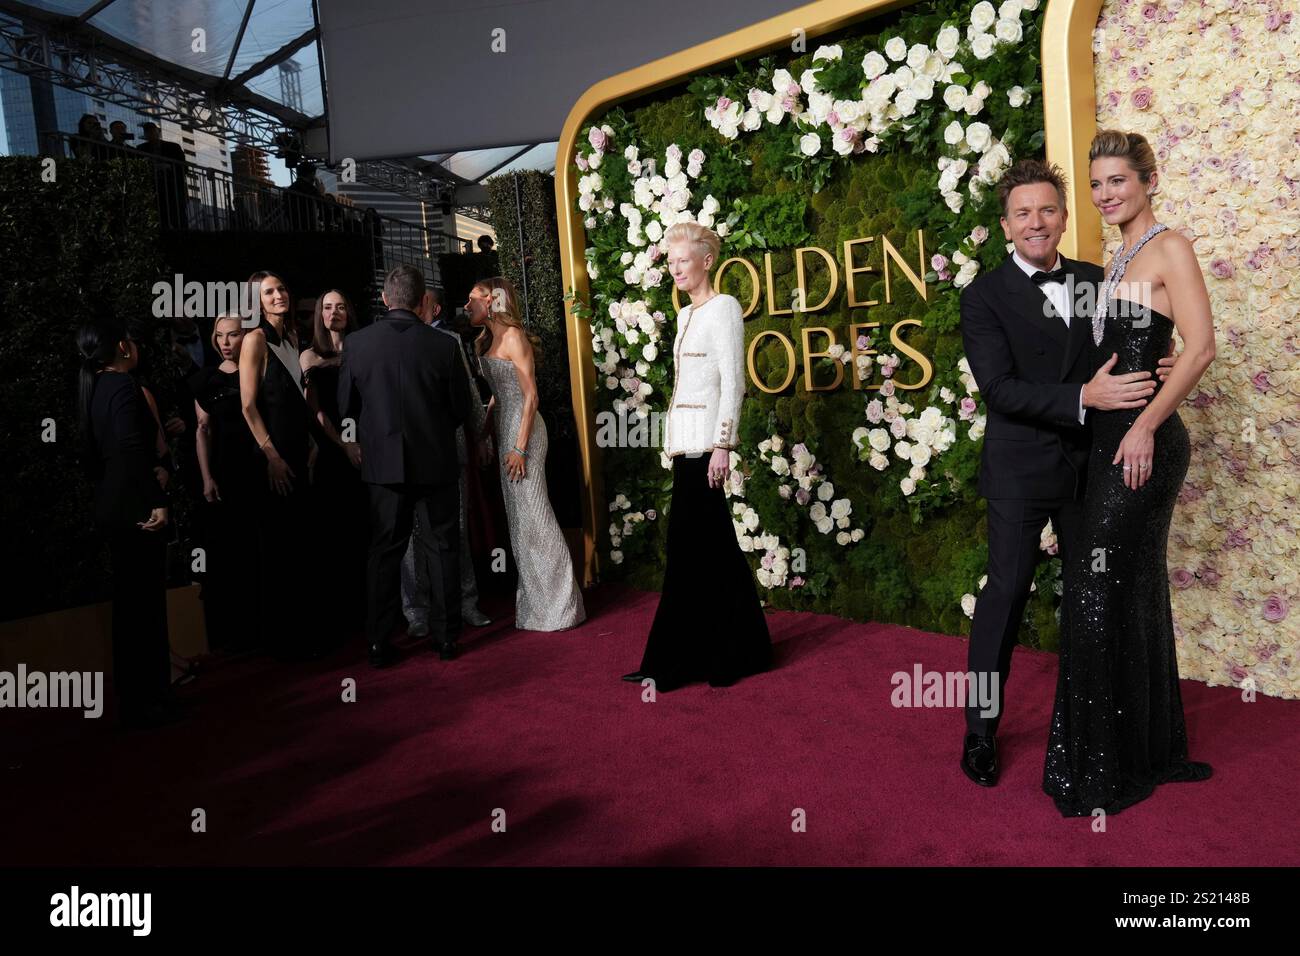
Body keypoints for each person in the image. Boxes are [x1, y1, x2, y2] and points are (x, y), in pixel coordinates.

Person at [957, 158, 1177, 788]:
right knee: (1005, 595)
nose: (1037, 222)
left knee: (1096, 595)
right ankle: (979, 731)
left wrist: (1158, 368)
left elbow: (1127, 347)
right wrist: (1086, 397)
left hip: (1093, 468)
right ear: (1006, 225)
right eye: (1023, 213)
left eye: (1048, 210)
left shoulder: (1093, 278)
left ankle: (1105, 733)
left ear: (1063, 217)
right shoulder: (983, 296)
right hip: (1021, 470)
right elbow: (999, 389)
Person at [1043, 130, 1216, 816]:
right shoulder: (1113, 261)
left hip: (1145, 444)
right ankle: (1148, 752)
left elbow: (1200, 349)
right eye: (1096, 184)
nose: (1106, 194)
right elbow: (1136, 352)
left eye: (1117, 180)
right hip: (1106, 442)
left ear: (1147, 180)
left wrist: (1146, 424)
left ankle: (1111, 767)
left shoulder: (1171, 246)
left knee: (1097, 594)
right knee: (1131, 589)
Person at [622, 223, 769, 690]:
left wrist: (723, 446)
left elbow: (734, 381)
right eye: (671, 260)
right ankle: (735, 650)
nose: (675, 267)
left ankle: (678, 661)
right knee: (711, 551)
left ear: (707, 261)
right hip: (685, 448)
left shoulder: (724, 308)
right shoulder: (685, 316)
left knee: (691, 552)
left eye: (683, 259)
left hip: (708, 447)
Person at [339, 265, 470, 666]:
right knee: (443, 547)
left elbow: (346, 408)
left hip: (382, 467)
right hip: (435, 463)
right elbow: (461, 410)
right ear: (421, 302)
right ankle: (446, 639)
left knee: (383, 553)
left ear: (384, 298)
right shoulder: (444, 345)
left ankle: (378, 644)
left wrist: (366, 440)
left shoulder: (357, 345)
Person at [77, 318, 181, 728]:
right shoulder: (121, 385)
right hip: (136, 509)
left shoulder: (90, 389)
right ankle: (154, 700)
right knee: (147, 609)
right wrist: (157, 499)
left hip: (112, 507)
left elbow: (97, 454)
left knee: (130, 609)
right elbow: (129, 444)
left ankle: (137, 701)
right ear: (122, 347)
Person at [468, 277, 585, 632]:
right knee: (519, 522)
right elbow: (496, 397)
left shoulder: (515, 337)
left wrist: (519, 448)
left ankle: (563, 606)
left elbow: (530, 397)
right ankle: (537, 605)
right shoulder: (485, 341)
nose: (467, 306)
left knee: (537, 516)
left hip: (527, 435)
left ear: (492, 300)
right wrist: (483, 435)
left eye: (472, 299)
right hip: (505, 432)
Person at [402, 286, 492, 632]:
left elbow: (470, 393)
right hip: (408, 455)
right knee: (412, 535)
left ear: (429, 305)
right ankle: (417, 613)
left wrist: (481, 437)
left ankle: (466, 602)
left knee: (457, 527)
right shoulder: (394, 339)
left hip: (451, 448)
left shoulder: (452, 341)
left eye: (422, 299)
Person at [239, 270, 316, 657]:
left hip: (298, 452)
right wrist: (271, 455)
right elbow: (248, 406)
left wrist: (312, 443)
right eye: (268, 292)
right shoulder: (254, 340)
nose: (278, 295)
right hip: (273, 458)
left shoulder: (291, 337)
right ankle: (283, 643)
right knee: (279, 547)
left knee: (299, 544)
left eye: (282, 288)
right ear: (257, 301)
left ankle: (303, 634)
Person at [191, 315, 261, 652]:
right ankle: (237, 635)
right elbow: (202, 429)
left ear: (245, 335)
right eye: (219, 336)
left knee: (260, 546)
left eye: (232, 335)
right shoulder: (204, 380)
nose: (225, 342)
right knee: (231, 551)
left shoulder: (259, 369)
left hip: (259, 467)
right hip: (225, 470)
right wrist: (206, 477)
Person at [300, 290, 367, 637]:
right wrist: (345, 445)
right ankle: (345, 617)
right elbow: (317, 413)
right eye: (327, 307)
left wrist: (362, 443)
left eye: (340, 306)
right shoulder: (309, 356)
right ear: (320, 315)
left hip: (367, 449)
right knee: (337, 532)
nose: (334, 312)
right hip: (334, 451)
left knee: (368, 529)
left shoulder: (363, 348)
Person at [135, 122, 188, 228]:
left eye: (152, 131)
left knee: (177, 217)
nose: (150, 134)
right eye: (148, 132)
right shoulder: (141, 148)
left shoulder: (173, 147)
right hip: (153, 188)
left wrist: (168, 167)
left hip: (172, 187)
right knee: (159, 218)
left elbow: (183, 167)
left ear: (158, 132)